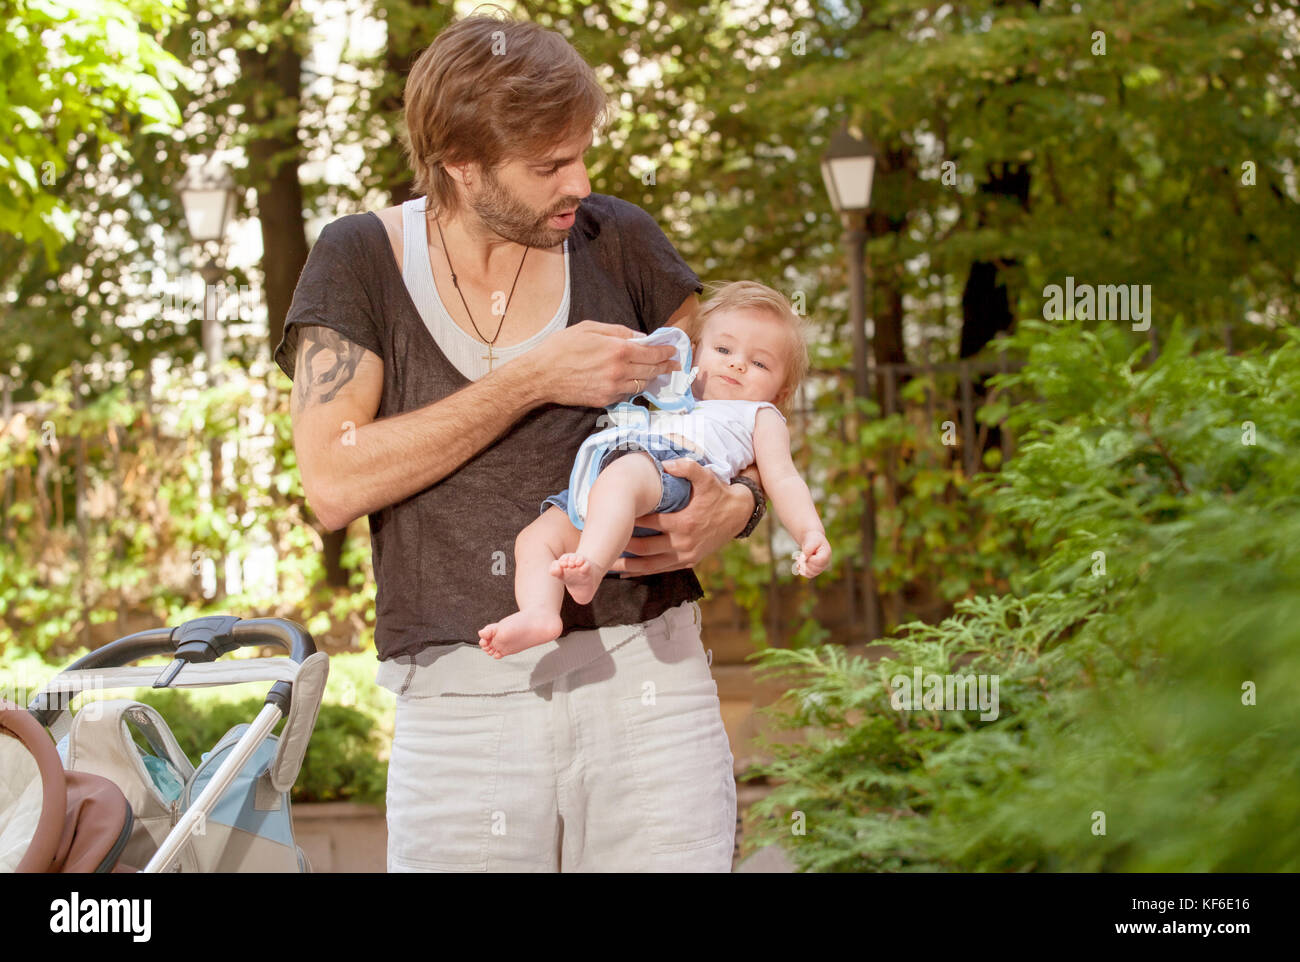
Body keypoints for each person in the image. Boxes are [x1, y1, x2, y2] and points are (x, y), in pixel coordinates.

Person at [273, 9, 774, 871]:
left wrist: (741, 504)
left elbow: (737, 407)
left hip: (649, 683)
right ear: (461, 166)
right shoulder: (359, 261)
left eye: (581, 152)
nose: (578, 182)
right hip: (461, 708)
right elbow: (332, 479)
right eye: (549, 165)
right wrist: (533, 378)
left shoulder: (620, 243)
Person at [480, 281, 832, 658]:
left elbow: (782, 477)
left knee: (622, 479)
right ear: (695, 356)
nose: (737, 363)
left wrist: (810, 532)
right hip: (618, 472)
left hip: (676, 471)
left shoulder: (759, 415)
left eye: (759, 363)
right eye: (723, 349)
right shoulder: (678, 397)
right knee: (535, 538)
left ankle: (592, 566)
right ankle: (540, 613)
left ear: (780, 391)